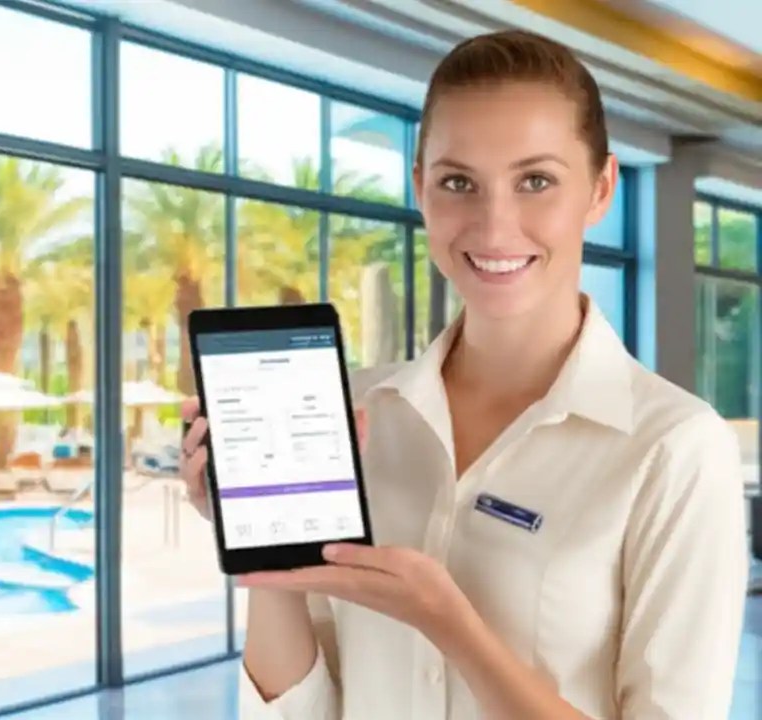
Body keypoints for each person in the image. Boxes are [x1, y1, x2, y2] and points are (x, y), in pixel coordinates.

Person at [178, 30, 748, 720]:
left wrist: (451, 625)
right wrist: (266, 554)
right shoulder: (355, 411)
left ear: (600, 190)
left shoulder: (675, 448)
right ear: (420, 187)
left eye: (535, 180)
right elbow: (300, 711)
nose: (493, 224)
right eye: (457, 182)